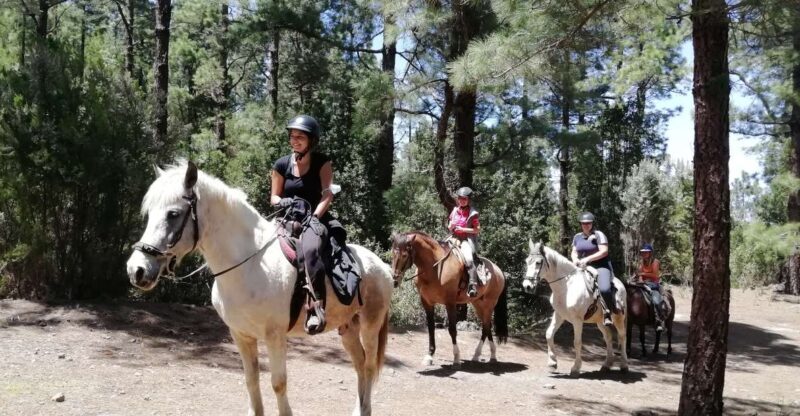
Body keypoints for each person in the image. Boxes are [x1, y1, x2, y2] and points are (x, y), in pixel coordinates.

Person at [271, 114, 345, 335]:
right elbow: (274, 197)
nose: (294, 140)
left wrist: (314, 217)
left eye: (300, 137)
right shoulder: (281, 164)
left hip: (314, 219)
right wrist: (283, 201)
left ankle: (316, 307)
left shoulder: (322, 162)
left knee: (311, 249)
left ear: (311, 140)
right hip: (286, 218)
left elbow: (327, 195)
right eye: (292, 136)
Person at [571, 212, 615, 326]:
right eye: (584, 223)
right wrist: (575, 259)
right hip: (582, 266)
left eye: (588, 223)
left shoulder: (598, 234)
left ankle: (608, 312)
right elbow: (574, 251)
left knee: (604, 289)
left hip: (600, 266)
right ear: (580, 224)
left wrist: (587, 259)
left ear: (592, 224)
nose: (586, 225)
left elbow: (604, 251)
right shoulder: (577, 236)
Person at [447, 187, 481, 297]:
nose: (462, 200)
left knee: (469, 259)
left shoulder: (473, 213)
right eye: (460, 198)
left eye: (464, 199)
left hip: (466, 239)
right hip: (453, 237)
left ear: (469, 200)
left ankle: (472, 285)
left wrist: (463, 229)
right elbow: (450, 226)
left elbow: (477, 229)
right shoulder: (454, 210)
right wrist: (450, 226)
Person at [637, 243, 665, 332]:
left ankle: (658, 321)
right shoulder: (641, 262)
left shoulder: (655, 262)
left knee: (656, 301)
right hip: (643, 283)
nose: (644, 254)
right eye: (643, 252)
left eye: (646, 252)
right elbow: (639, 273)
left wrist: (642, 274)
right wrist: (640, 278)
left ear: (650, 253)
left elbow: (655, 274)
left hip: (653, 284)